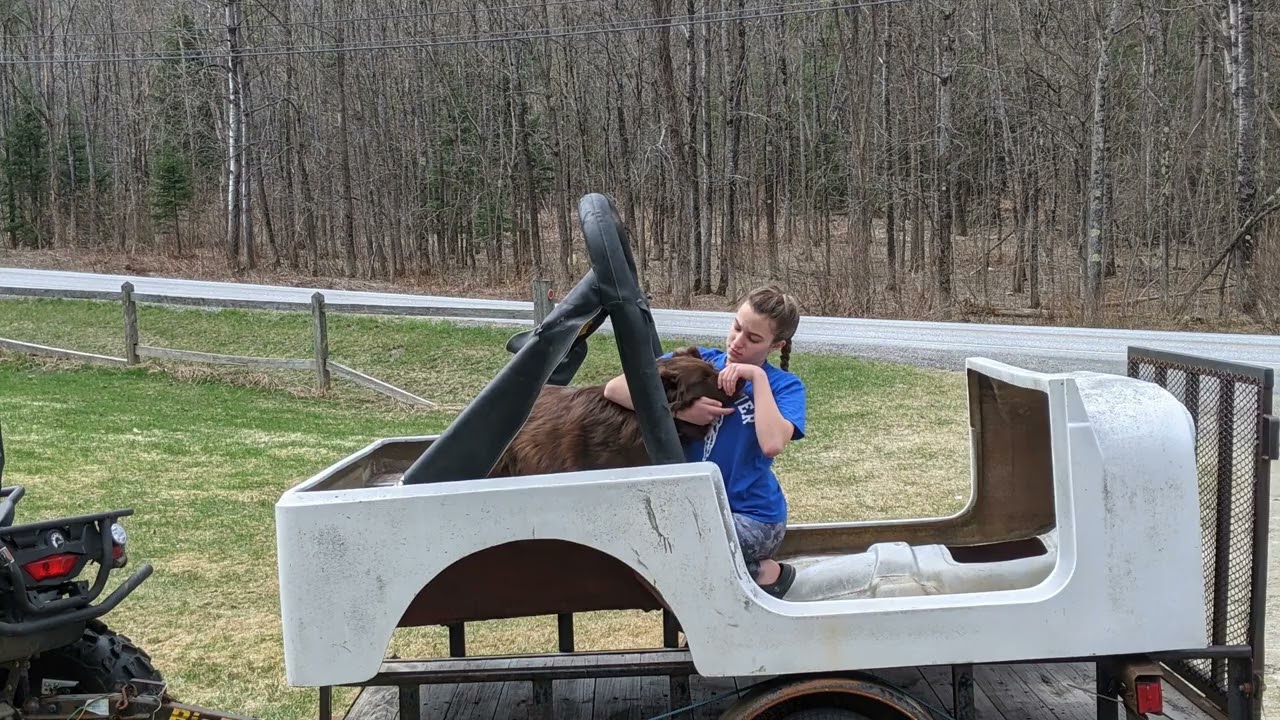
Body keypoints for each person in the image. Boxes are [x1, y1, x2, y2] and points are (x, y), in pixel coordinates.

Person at [603, 284, 806, 599]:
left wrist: (757, 377)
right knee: (659, 543)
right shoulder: (699, 361)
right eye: (736, 327)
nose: (737, 342)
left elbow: (772, 444)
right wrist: (680, 409)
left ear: (776, 344)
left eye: (753, 339)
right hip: (697, 508)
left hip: (753, 517)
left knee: (682, 546)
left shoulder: (784, 387)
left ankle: (767, 573)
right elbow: (615, 389)